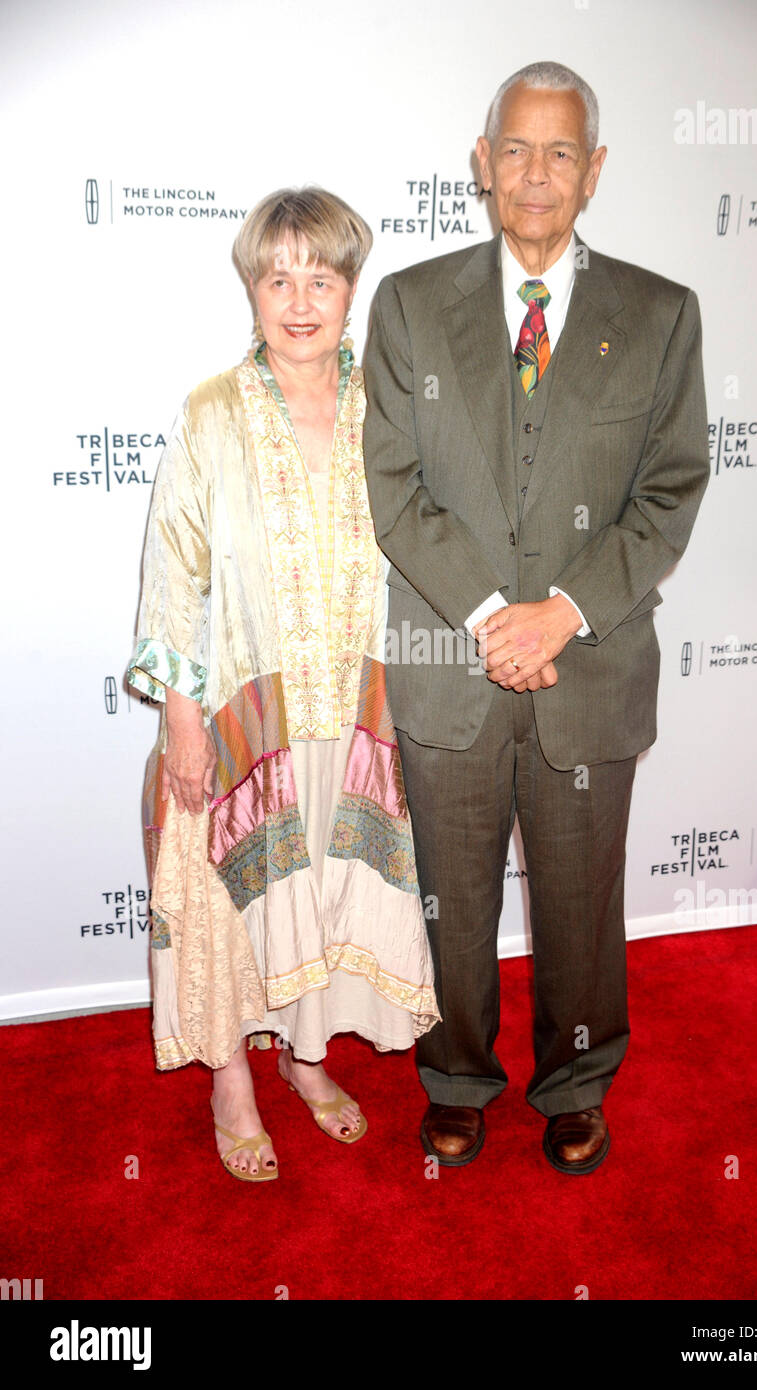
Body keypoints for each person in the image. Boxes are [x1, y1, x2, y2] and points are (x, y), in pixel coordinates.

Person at [363, 62, 709, 1173]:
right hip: (447, 671)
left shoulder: (659, 316)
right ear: (480, 161)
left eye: (560, 152)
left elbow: (668, 493)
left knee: (577, 902)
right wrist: (484, 614)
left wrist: (559, 612)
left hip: (587, 671)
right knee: (449, 901)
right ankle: (456, 1076)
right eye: (514, 148)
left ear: (594, 170)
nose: (535, 174)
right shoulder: (410, 305)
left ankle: (573, 1081)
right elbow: (393, 486)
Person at [127, 187, 438, 1183]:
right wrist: (180, 716)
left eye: (322, 275)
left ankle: (305, 1060)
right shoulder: (212, 410)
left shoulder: (387, 408)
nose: (299, 298)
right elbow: (173, 565)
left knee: (326, 894)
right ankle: (230, 1081)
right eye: (278, 275)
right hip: (237, 714)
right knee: (225, 903)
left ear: (352, 289)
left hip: (348, 709)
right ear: (251, 286)